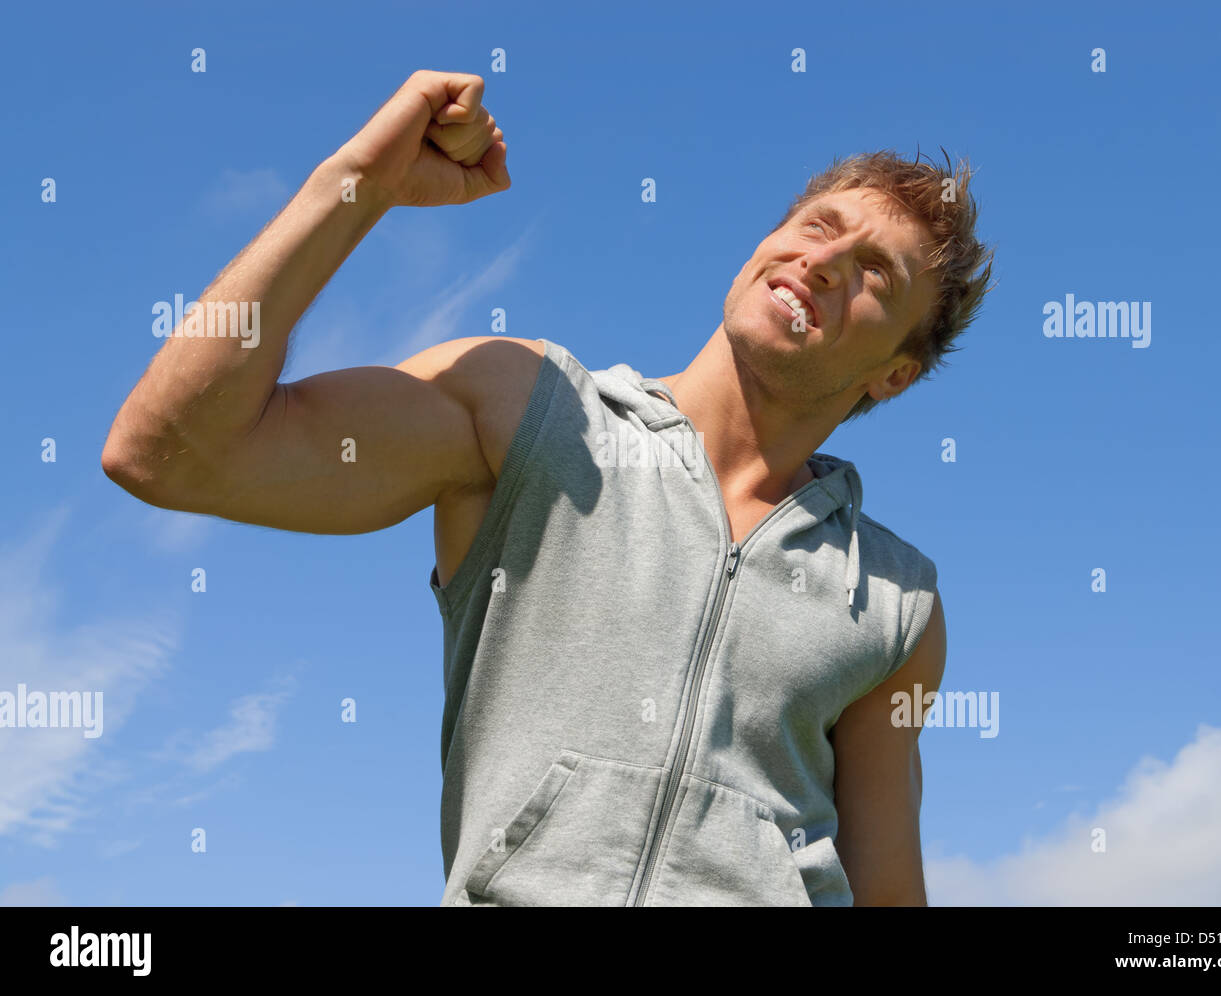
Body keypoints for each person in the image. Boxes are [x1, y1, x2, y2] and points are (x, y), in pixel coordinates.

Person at [102, 70, 994, 906]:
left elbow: (886, 887)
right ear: (765, 242)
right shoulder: (533, 412)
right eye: (817, 224)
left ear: (896, 375)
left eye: (877, 272)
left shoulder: (895, 600)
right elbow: (169, 453)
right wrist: (353, 184)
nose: (826, 261)